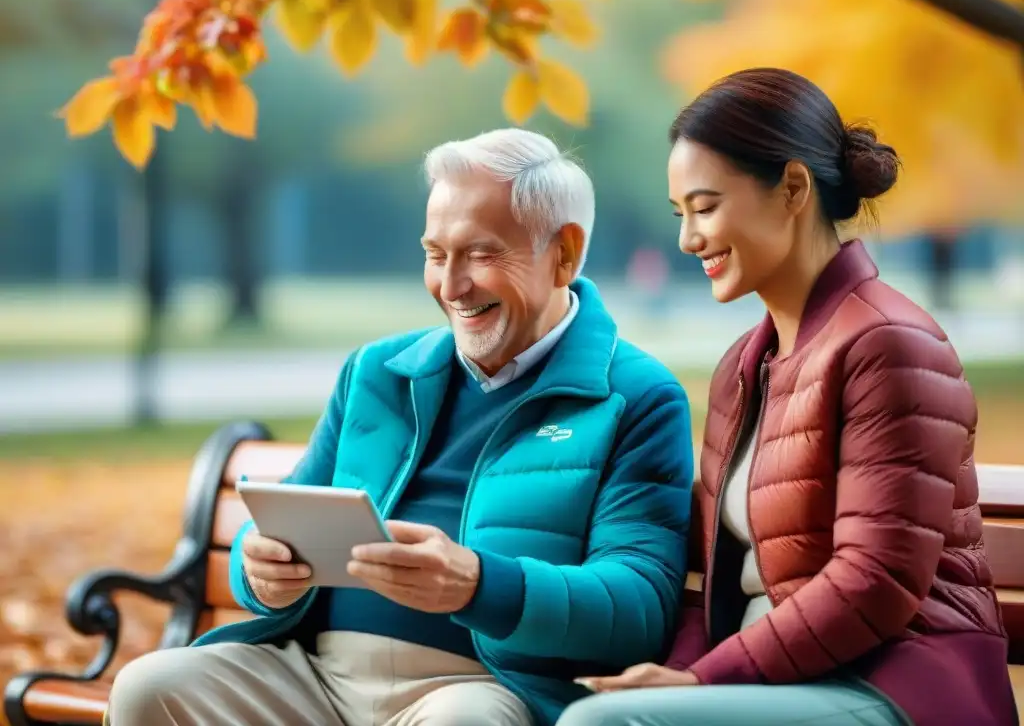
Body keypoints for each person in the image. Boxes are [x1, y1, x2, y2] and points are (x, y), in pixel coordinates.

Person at [105, 128, 696, 726]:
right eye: (436, 254)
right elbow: (275, 537)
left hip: (478, 687)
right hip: (316, 675)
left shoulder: (636, 397)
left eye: (482, 254)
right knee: (150, 686)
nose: (451, 285)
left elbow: (638, 608)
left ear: (564, 253)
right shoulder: (377, 373)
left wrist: (478, 584)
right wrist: (260, 574)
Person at [558, 68, 1018, 726]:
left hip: (897, 685)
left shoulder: (890, 344)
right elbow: (711, 583)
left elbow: (875, 582)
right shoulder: (742, 368)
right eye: (680, 214)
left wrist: (703, 681)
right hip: (773, 684)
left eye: (706, 206)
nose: (688, 239)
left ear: (793, 188)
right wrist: (679, 674)